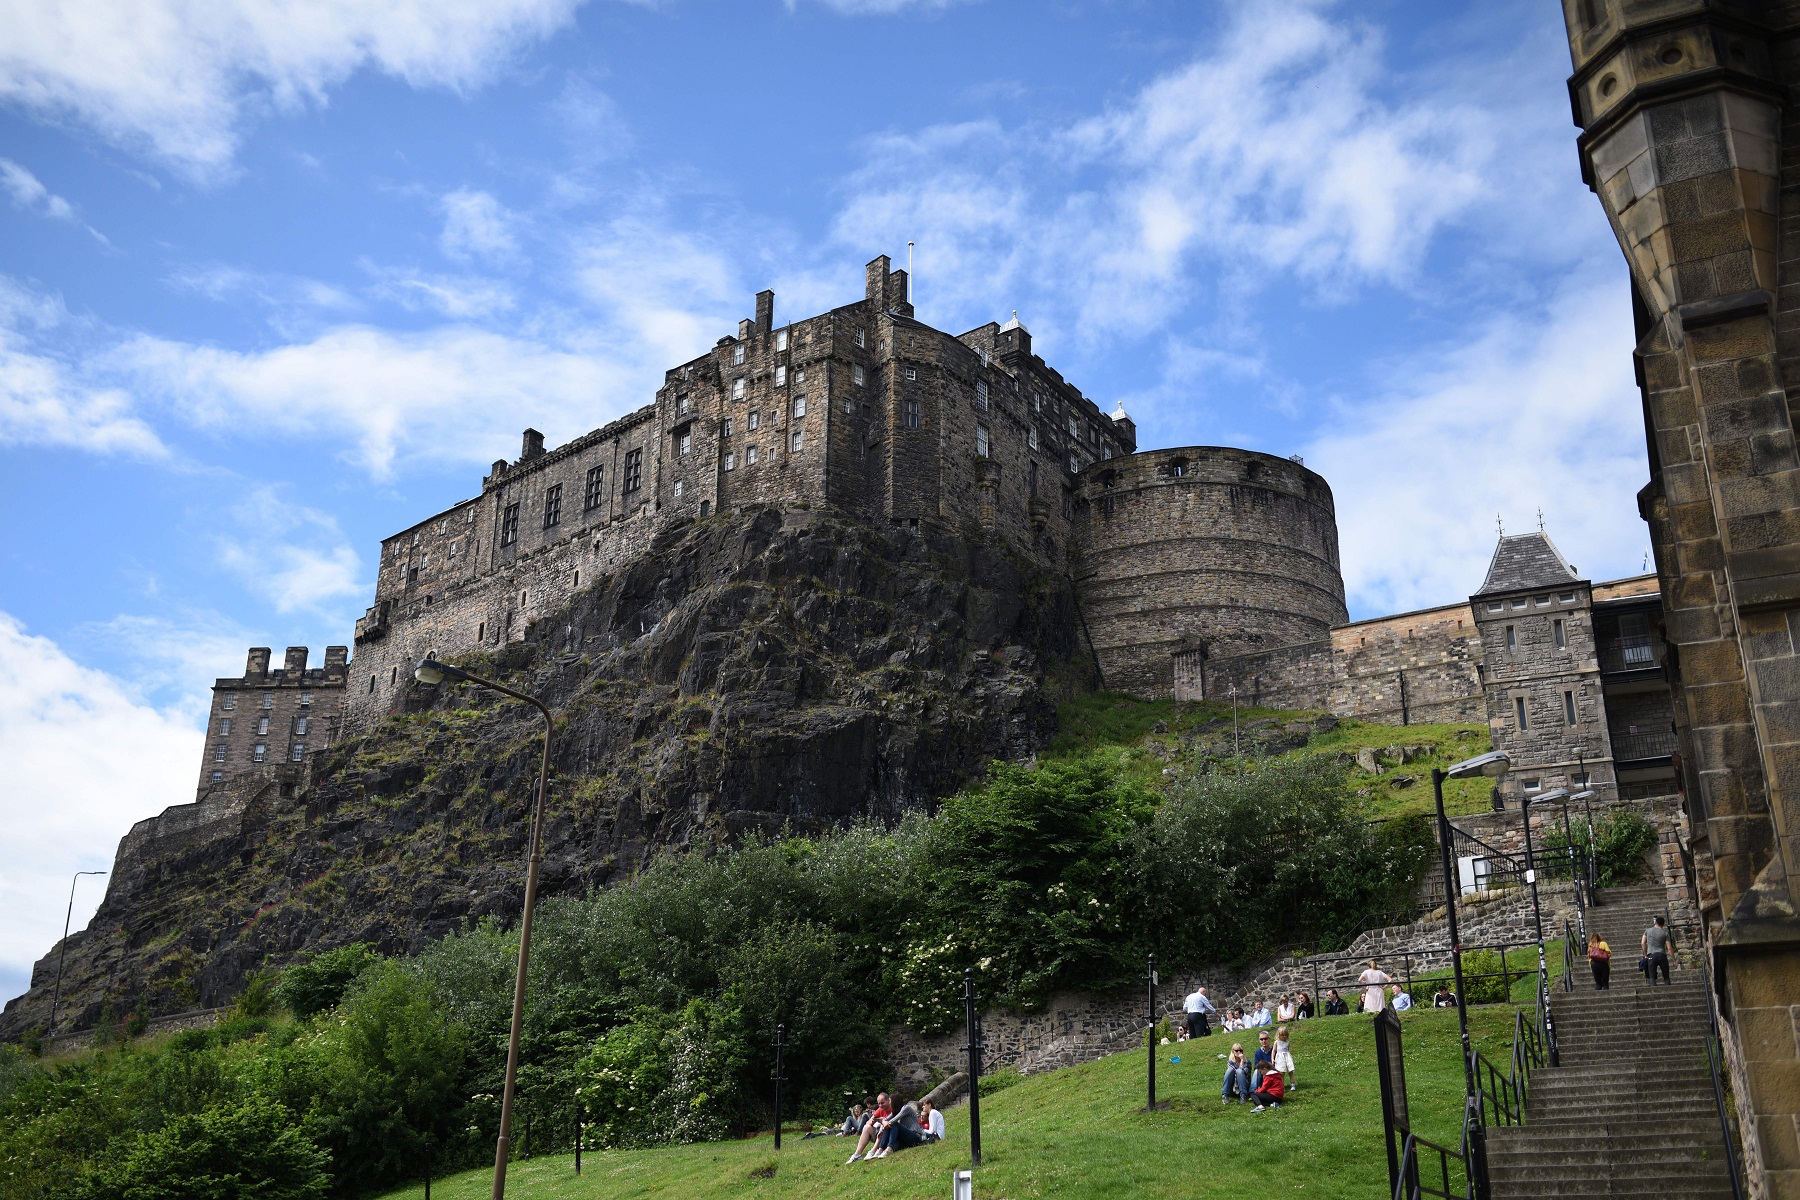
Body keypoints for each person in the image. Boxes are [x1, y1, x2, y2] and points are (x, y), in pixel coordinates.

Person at [845, 1093, 892, 1164]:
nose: (880, 1105)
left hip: (889, 1136)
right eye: (879, 1103)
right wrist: (875, 1121)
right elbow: (869, 1122)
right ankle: (857, 1154)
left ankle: (874, 1150)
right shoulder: (880, 1109)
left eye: (882, 1103)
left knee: (883, 1126)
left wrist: (882, 1121)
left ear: (888, 1100)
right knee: (866, 1127)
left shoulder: (894, 1109)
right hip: (878, 1133)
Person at [1642, 916, 1672, 985]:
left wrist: (1645, 954)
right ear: (1663, 924)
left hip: (1651, 955)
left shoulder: (1648, 931)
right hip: (1662, 955)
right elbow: (1669, 948)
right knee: (1666, 976)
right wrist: (1674, 961)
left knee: (1652, 977)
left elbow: (1643, 942)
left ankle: (1654, 990)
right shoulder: (1665, 933)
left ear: (1656, 922)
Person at [1272, 1023, 1296, 1091]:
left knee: (1290, 1071)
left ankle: (1293, 1084)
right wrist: (1272, 1058)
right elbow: (1274, 1050)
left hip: (1287, 1057)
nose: (1284, 1036)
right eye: (1282, 1035)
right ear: (1279, 1035)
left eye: (1285, 1035)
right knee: (1281, 1072)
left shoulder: (1287, 1042)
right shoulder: (1277, 1042)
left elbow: (1288, 1050)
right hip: (1280, 1058)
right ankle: (1282, 1086)